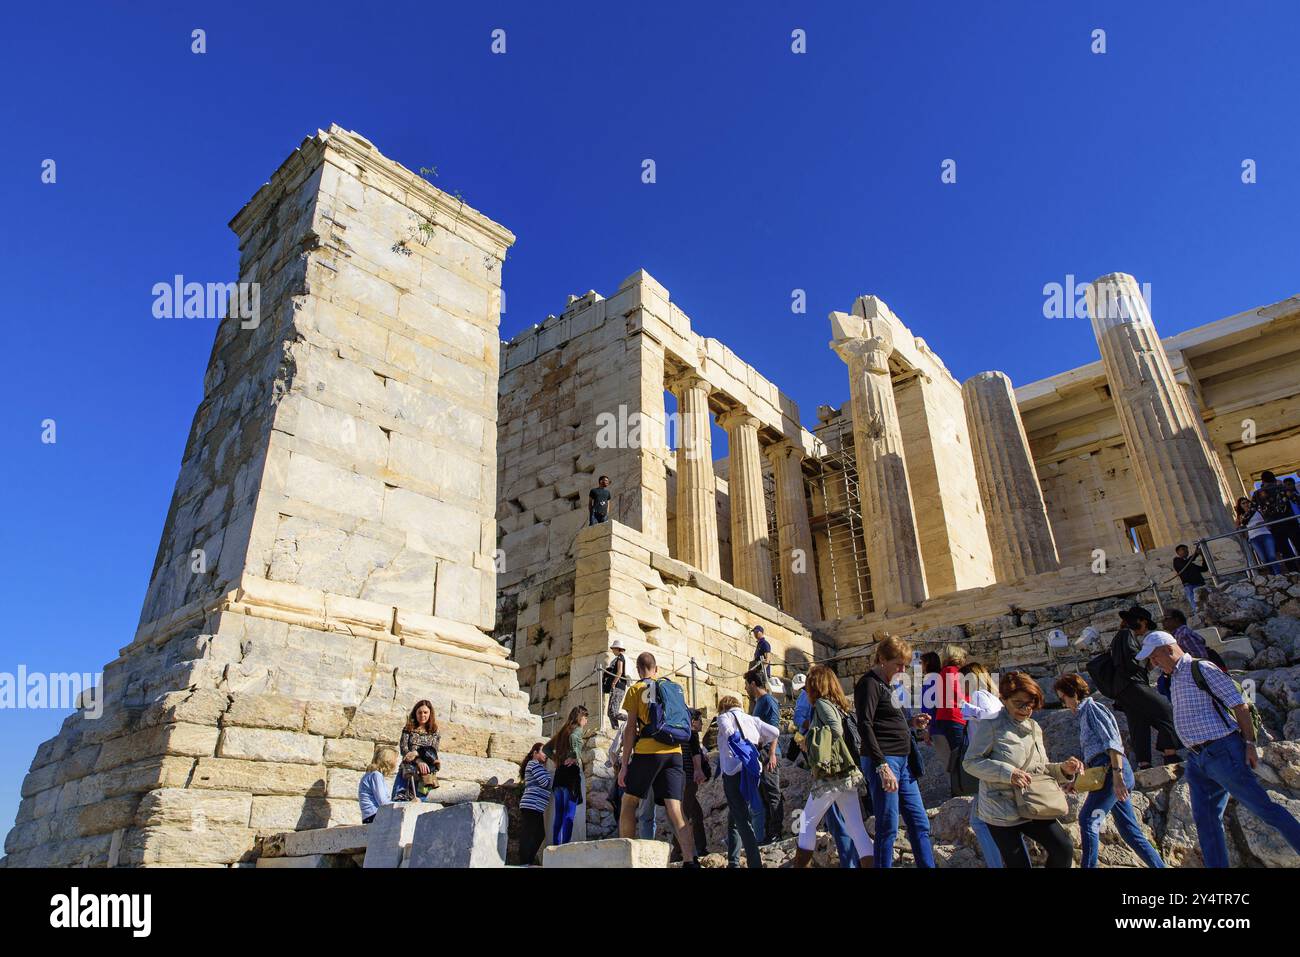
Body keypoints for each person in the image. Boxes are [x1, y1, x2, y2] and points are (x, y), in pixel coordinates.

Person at [1139, 630, 1300, 867]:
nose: (1153, 664)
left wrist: (1249, 744)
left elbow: (1240, 705)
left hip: (1224, 752)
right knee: (1205, 821)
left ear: (1169, 650)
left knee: (1264, 809)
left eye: (1154, 657)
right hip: (1198, 758)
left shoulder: (1202, 669)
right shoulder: (1172, 678)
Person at [963, 672, 1082, 868]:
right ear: (1004, 699)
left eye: (1031, 703)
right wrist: (1008, 773)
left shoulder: (1034, 727)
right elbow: (971, 762)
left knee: (1063, 847)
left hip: (1032, 803)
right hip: (1000, 809)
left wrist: (1064, 769)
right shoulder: (991, 725)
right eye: (1019, 703)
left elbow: (1040, 767)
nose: (1026, 709)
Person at [1054, 673, 1165, 869]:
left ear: (1073, 693)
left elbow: (1113, 744)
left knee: (1087, 820)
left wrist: (1118, 777)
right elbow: (1095, 754)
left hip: (1113, 772)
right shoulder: (1084, 715)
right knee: (1130, 831)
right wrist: (1077, 782)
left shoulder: (1093, 709)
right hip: (1109, 772)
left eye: (1063, 697)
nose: (1063, 703)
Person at [855, 636, 935, 868]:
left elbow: (887, 720)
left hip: (904, 761)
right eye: (898, 665)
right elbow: (866, 725)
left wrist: (912, 723)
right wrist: (882, 765)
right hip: (885, 761)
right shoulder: (868, 684)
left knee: (920, 822)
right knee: (888, 825)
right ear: (882, 659)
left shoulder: (889, 684)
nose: (902, 670)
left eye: (905, 666)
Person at [616, 652, 700, 866]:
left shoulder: (636, 689)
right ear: (656, 669)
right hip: (674, 751)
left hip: (648, 751)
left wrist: (624, 765)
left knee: (629, 802)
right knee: (675, 809)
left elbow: (630, 729)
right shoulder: (669, 687)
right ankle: (691, 860)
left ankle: (627, 857)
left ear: (638, 669)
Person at [792, 665, 874, 868]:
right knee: (856, 828)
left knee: (806, 823)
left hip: (831, 775)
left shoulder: (821, 703)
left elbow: (834, 730)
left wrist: (808, 738)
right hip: (846, 773)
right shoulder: (838, 705)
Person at [958, 661, 1019, 868]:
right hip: (997, 764)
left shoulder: (978, 697)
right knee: (989, 821)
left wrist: (969, 710)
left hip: (987, 765)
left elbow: (991, 720)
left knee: (980, 822)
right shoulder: (994, 697)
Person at [1112, 607, 1182, 769]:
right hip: (1133, 684)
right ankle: (1170, 755)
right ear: (1140, 621)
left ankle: (1144, 763)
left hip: (1123, 689)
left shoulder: (1119, 637)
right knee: (1166, 711)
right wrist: (1149, 660)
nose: (1145, 628)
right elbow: (1132, 662)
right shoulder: (1126, 634)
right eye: (1144, 623)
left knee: (1139, 723)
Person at [717, 695, 779, 868]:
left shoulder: (724, 717)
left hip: (733, 772)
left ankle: (754, 862)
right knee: (735, 815)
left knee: (742, 818)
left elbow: (728, 732)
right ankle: (733, 861)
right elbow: (775, 732)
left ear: (723, 707)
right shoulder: (752, 719)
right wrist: (757, 743)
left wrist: (738, 743)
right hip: (751, 770)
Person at [746, 668, 784, 844]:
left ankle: (776, 833)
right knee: (765, 795)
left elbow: (775, 727)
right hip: (760, 754)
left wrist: (772, 754)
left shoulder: (768, 700)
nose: (745, 688)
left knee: (772, 792)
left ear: (753, 683)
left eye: (747, 684)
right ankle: (769, 834)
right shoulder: (758, 703)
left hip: (769, 754)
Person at [544, 705, 587, 845]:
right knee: (569, 814)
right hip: (570, 777)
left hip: (559, 776)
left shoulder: (563, 731)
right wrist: (576, 755)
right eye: (585, 717)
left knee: (559, 815)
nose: (586, 721)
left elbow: (546, 748)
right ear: (580, 717)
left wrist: (556, 759)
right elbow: (575, 738)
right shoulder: (577, 731)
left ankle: (556, 847)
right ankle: (565, 847)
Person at [671, 709, 709, 862]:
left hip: (682, 779)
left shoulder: (680, 733)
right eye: (700, 720)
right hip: (688, 779)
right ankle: (677, 851)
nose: (702, 724)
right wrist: (698, 770)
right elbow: (694, 754)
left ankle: (701, 848)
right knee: (684, 816)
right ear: (693, 721)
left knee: (696, 814)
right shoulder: (691, 734)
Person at [1253, 470, 1300, 571]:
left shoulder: (1257, 494)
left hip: (1274, 525)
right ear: (1274, 479)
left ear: (1263, 481)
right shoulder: (1283, 488)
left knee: (1285, 550)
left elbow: (1253, 509)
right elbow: (1296, 499)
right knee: (1299, 545)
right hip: (1290, 521)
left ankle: (1294, 572)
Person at [929, 645, 969, 765]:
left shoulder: (945, 671)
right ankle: (961, 780)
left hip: (949, 717)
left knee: (958, 752)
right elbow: (956, 693)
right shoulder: (951, 670)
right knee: (961, 753)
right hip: (954, 717)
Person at [397, 699, 441, 801]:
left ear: (430, 714)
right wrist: (419, 761)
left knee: (420, 803)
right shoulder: (408, 729)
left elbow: (433, 751)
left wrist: (416, 752)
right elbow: (404, 749)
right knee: (399, 800)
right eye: (419, 712)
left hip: (425, 775)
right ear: (415, 713)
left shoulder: (435, 732)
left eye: (425, 712)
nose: (422, 715)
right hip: (407, 771)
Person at [517, 742, 552, 865]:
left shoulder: (538, 766)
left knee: (538, 833)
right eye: (543, 751)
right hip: (532, 804)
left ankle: (528, 860)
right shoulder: (533, 764)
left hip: (535, 805)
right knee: (530, 833)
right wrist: (550, 777)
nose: (545, 755)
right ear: (534, 753)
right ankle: (525, 861)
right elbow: (545, 783)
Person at [1237, 496, 1281, 574]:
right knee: (1263, 559)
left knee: (1271, 556)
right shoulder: (1240, 517)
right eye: (1243, 503)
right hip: (1253, 537)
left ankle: (1278, 574)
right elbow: (1238, 527)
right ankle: (1272, 575)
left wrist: (1263, 523)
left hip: (1265, 533)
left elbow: (1267, 518)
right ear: (1240, 506)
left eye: (1247, 502)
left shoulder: (1257, 510)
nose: (1246, 504)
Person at [358, 746, 398, 824]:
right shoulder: (376, 775)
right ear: (388, 761)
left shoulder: (369, 775)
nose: (396, 763)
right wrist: (404, 804)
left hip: (369, 817)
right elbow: (383, 802)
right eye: (395, 760)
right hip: (375, 816)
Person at [1172, 544, 1207, 614]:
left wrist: (1203, 556)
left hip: (1200, 585)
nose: (1186, 551)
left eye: (1186, 549)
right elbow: (1185, 564)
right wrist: (1196, 554)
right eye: (1183, 549)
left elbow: (1204, 569)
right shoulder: (1177, 561)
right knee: (1196, 606)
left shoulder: (1191, 565)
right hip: (1191, 586)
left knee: (1206, 605)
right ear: (1178, 552)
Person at [603, 639, 628, 729]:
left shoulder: (621, 657)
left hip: (618, 686)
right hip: (617, 687)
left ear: (618, 649)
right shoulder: (618, 658)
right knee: (610, 713)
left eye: (614, 648)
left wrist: (614, 683)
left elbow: (620, 671)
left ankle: (632, 719)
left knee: (613, 712)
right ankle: (616, 730)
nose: (612, 650)